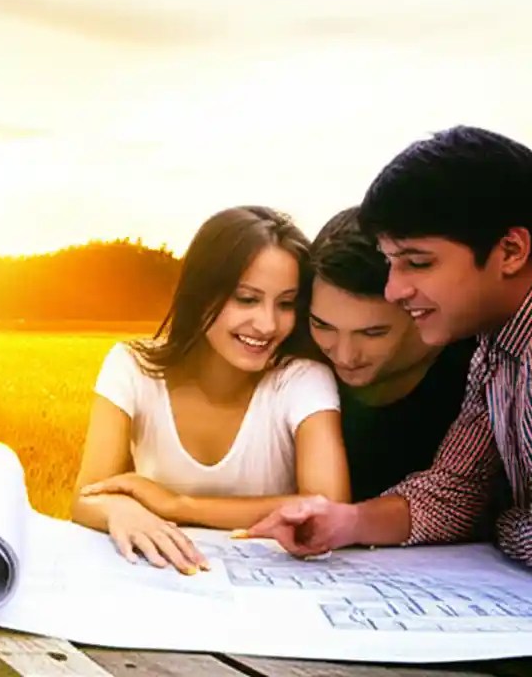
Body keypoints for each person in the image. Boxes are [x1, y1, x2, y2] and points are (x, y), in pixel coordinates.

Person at [246, 125, 532, 568]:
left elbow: (505, 522)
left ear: (511, 250)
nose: (396, 290)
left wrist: (508, 525)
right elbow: (455, 491)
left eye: (418, 263)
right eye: (392, 263)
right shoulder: (493, 349)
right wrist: (346, 522)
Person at [71, 205, 351, 575]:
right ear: (201, 294)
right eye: (246, 299)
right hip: (161, 581)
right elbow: (87, 497)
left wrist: (179, 506)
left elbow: (328, 506)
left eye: (285, 304)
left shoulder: (300, 380)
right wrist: (120, 507)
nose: (267, 324)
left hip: (273, 590)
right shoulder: (132, 367)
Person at [307, 206, 477, 502]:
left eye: (373, 333)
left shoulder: (482, 365)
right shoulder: (289, 349)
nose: (345, 356)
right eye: (322, 325)